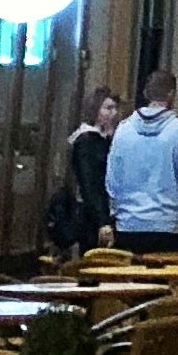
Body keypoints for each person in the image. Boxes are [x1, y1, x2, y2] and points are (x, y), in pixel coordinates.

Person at [103, 67, 178, 252]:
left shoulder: (124, 128)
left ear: (145, 93)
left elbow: (112, 177)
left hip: (128, 222)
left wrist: (114, 211)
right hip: (166, 223)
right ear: (172, 94)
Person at [55, 85, 119, 258]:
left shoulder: (103, 138)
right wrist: (102, 220)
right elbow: (89, 182)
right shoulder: (86, 140)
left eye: (115, 108)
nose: (113, 113)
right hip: (89, 213)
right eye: (108, 108)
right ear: (95, 110)